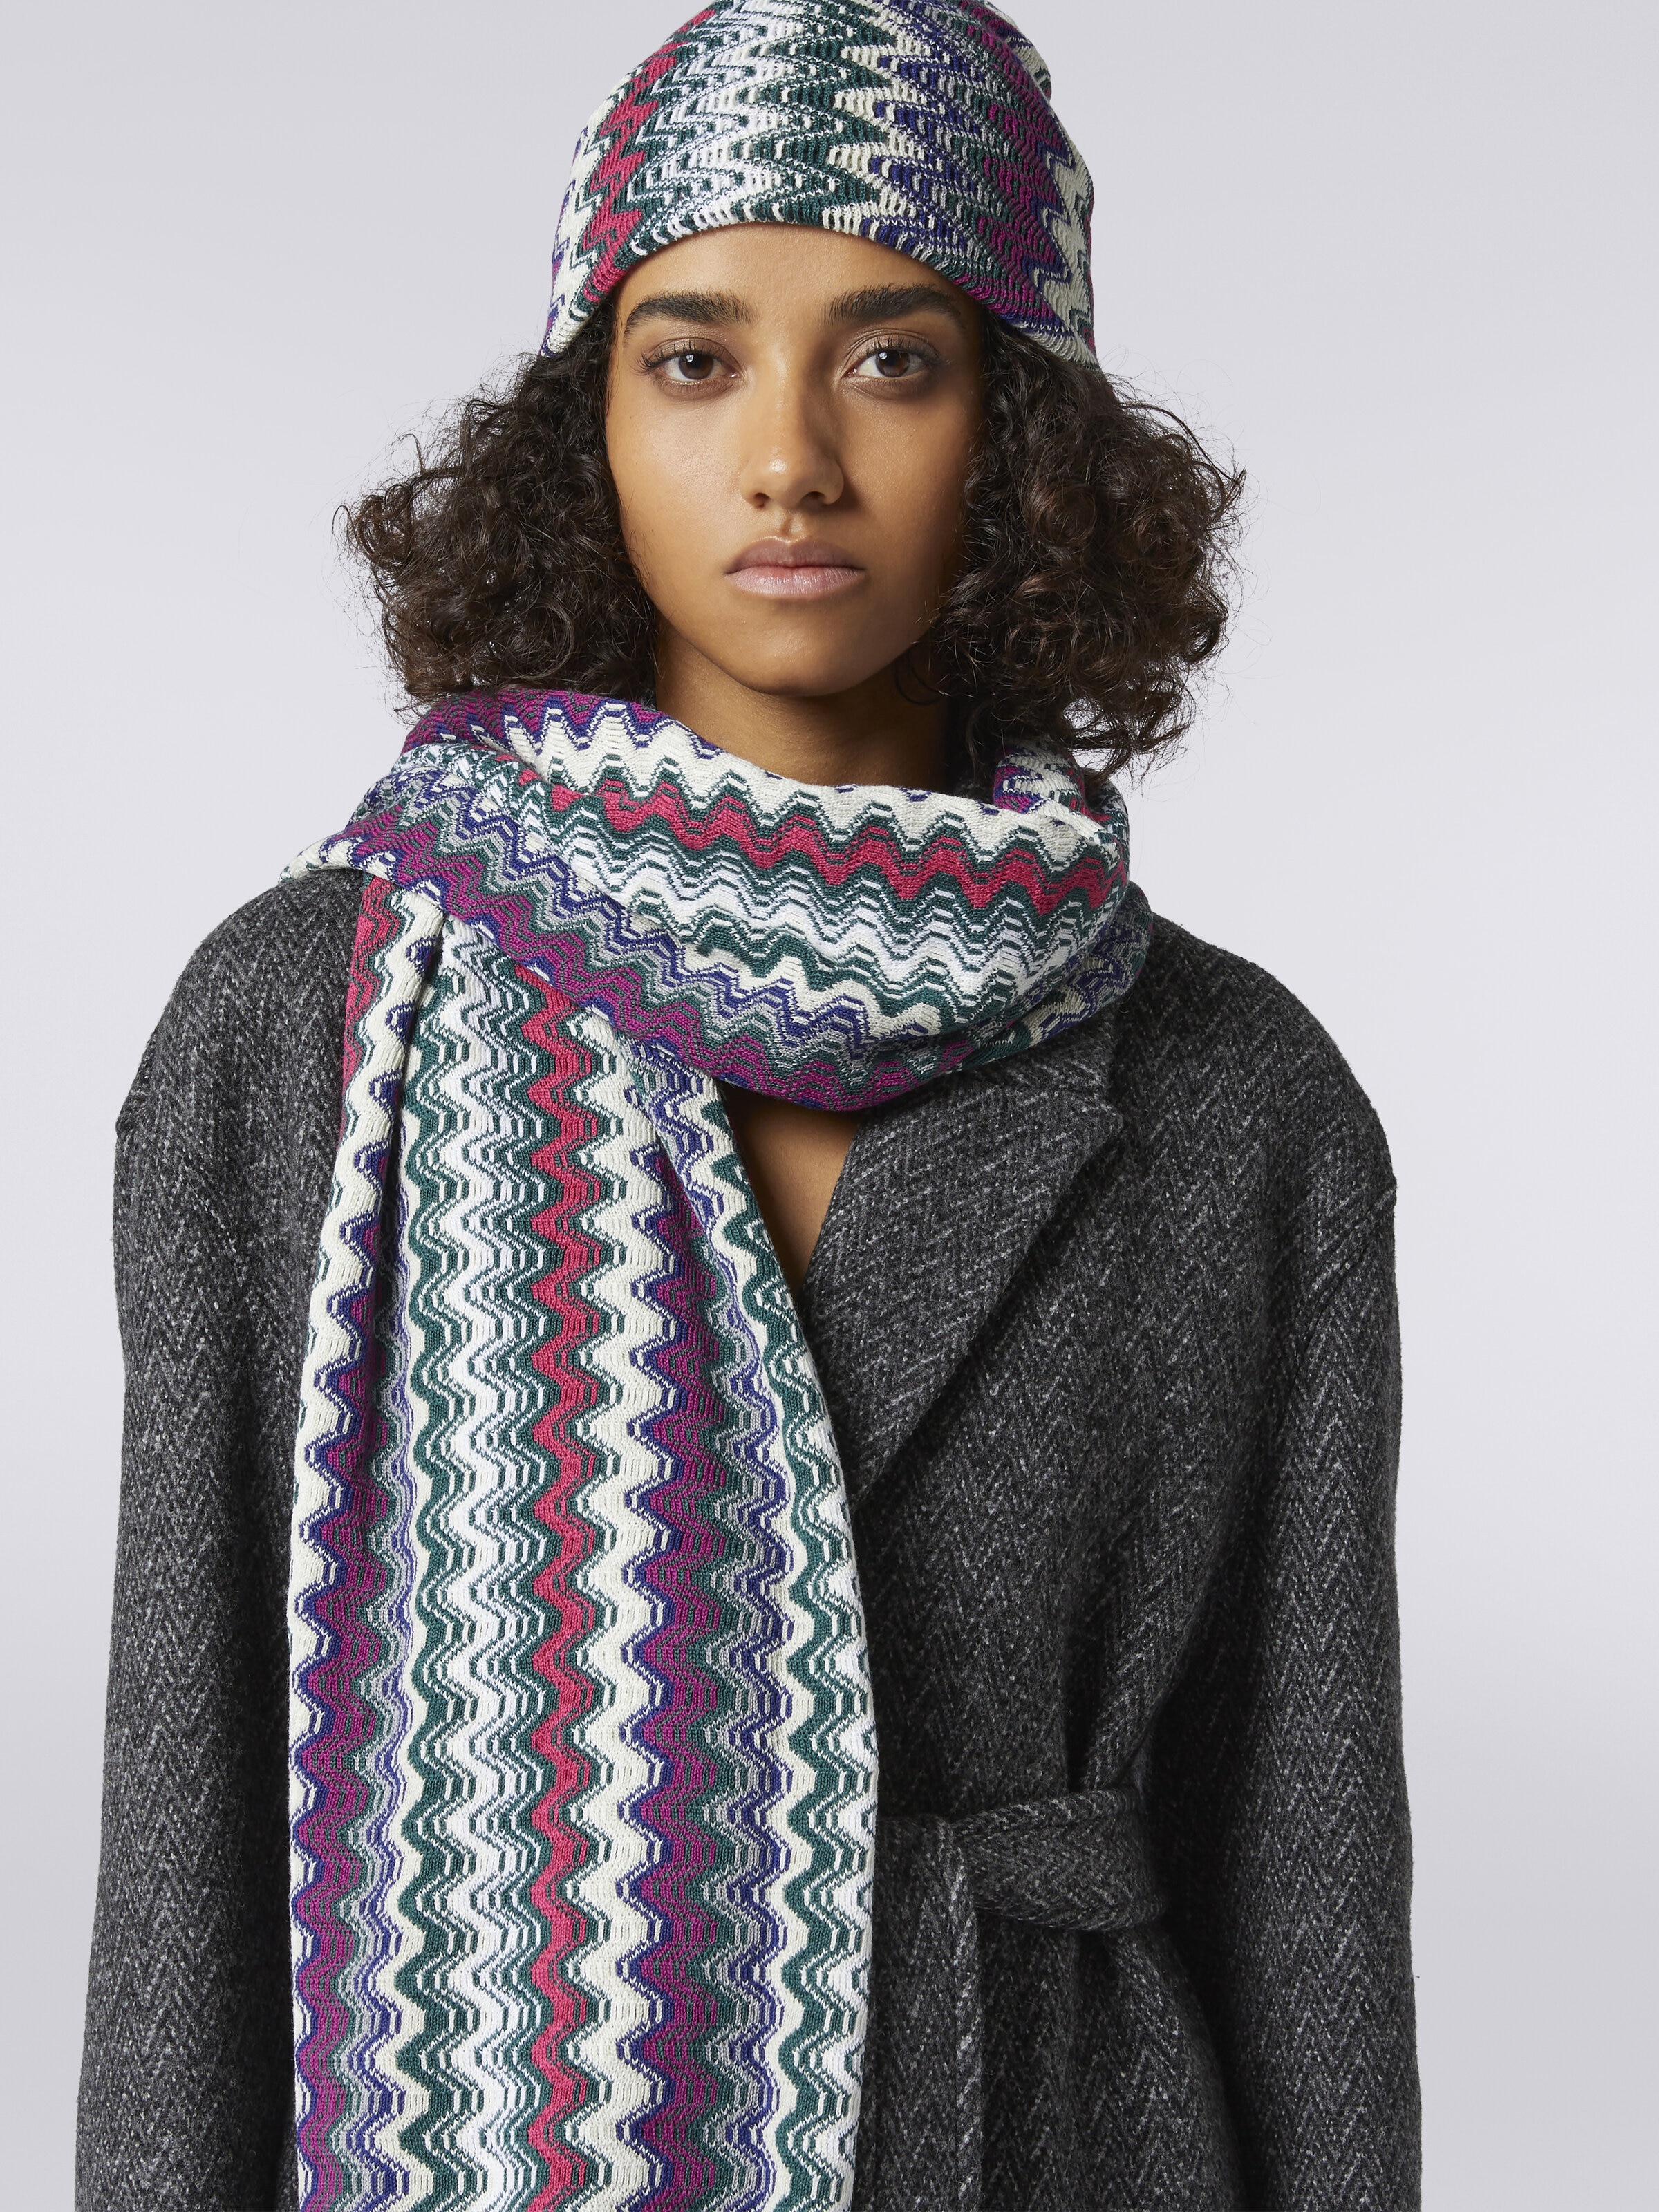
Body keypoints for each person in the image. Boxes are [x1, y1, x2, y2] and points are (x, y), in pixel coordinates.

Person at [77, 5, 1420, 2209]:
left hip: (1052, 2137)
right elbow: (189, 1835)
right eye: (693, 358)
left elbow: (1307, 1861)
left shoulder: (1237, 1093)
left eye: (894, 359)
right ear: (587, 430)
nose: (790, 456)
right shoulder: (297, 1029)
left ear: (1022, 439)